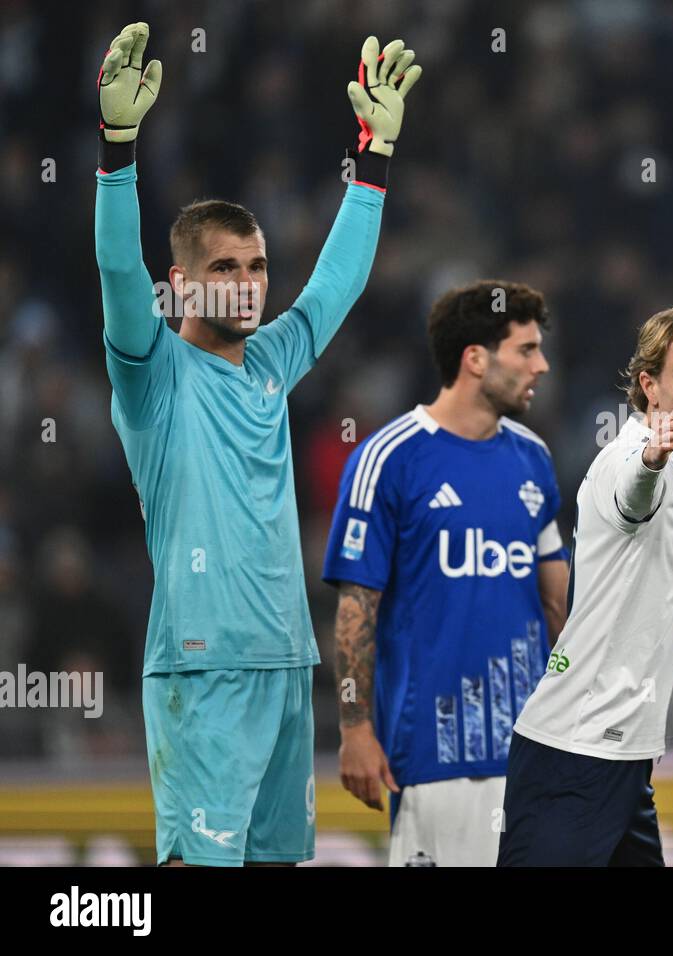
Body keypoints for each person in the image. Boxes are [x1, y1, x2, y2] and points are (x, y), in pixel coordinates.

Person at [95, 22, 420, 865]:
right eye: (226, 268)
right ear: (182, 284)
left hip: (284, 660)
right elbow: (118, 273)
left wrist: (373, 156)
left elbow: (337, 283)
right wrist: (117, 149)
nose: (247, 284)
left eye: (256, 266)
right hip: (201, 670)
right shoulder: (153, 372)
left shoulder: (272, 359)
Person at [323, 281, 569, 866]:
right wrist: (355, 729)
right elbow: (358, 605)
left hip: (532, 754)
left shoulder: (533, 456)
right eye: (526, 350)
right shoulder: (389, 458)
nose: (542, 365)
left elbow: (557, 602)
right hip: (435, 755)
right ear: (476, 359)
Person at [499, 304, 673, 866]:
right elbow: (634, 496)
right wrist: (654, 457)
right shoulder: (628, 456)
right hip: (575, 748)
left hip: (624, 754)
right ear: (648, 385)